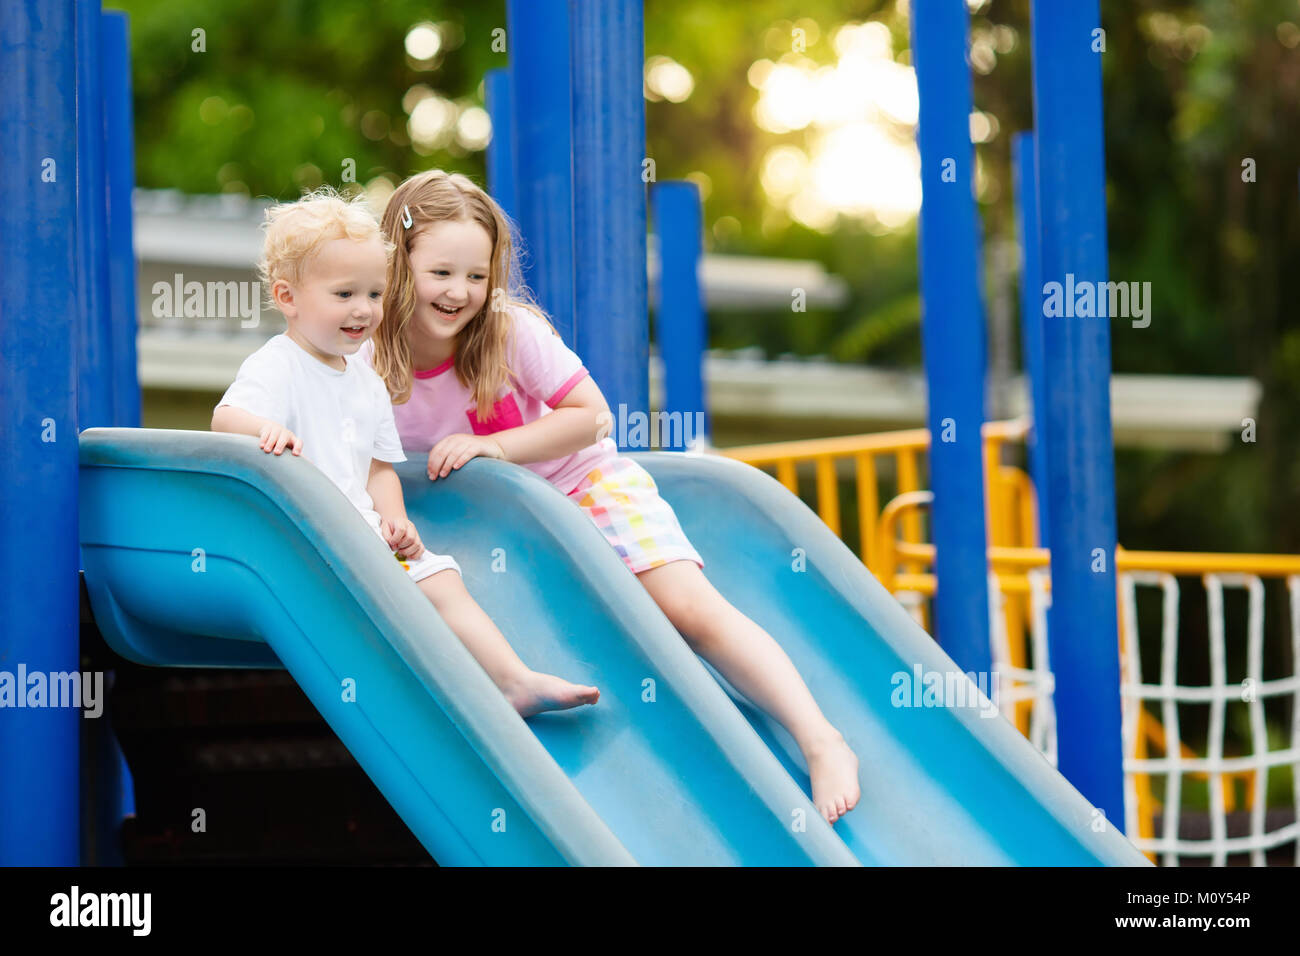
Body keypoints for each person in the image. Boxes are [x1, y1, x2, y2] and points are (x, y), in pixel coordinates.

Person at [363, 170, 860, 824]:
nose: (460, 292)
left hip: (582, 485)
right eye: (441, 273)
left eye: (477, 276)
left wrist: (497, 446)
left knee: (686, 608)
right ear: (398, 264)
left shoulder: (508, 332)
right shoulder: (367, 355)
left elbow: (594, 417)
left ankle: (820, 738)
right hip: (487, 528)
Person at [210, 186, 599, 718]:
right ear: (288, 298)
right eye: (344, 294)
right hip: (305, 536)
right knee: (390, 607)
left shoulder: (367, 380)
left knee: (440, 577)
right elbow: (225, 419)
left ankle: (515, 681)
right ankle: (431, 702)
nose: (364, 309)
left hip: (362, 534)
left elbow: (378, 467)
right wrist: (264, 430)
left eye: (375, 294)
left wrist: (395, 519)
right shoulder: (278, 366)